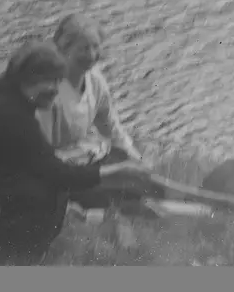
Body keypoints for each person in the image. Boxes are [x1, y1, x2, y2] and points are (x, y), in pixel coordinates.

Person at [0, 40, 150, 265]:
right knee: (46, 193)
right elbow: (57, 174)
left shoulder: (8, 102)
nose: (55, 89)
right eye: (49, 81)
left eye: (58, 81)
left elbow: (36, 163)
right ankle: (1, 258)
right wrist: (118, 171)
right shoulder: (11, 116)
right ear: (25, 79)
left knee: (36, 186)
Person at [39, 15, 164, 212]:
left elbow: (111, 127)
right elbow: (40, 150)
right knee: (113, 197)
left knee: (138, 183)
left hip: (85, 159)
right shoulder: (50, 91)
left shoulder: (95, 80)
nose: (92, 55)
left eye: (96, 47)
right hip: (58, 170)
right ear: (64, 50)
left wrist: (135, 158)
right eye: (84, 48)